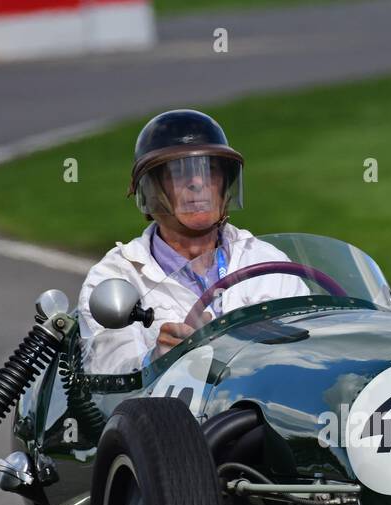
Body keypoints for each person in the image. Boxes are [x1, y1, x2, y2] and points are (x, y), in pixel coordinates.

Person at [77, 108, 308, 374]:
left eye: (210, 170)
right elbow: (107, 376)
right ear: (150, 189)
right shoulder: (116, 277)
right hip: (163, 402)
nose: (198, 182)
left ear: (225, 185)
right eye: (178, 172)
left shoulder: (267, 261)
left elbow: (313, 351)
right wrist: (154, 361)